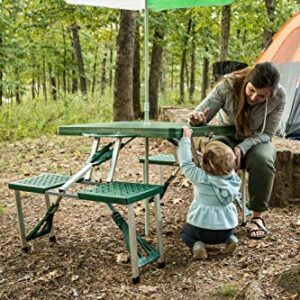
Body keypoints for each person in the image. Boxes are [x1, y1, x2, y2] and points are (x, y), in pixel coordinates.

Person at [188, 62, 286, 239]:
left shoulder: (279, 97)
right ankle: (212, 213)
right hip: (225, 135)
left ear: (271, 92)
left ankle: (257, 217)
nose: (255, 97)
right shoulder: (228, 85)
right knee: (215, 155)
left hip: (257, 140)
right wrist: (197, 119)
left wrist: (242, 147)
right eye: (252, 90)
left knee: (263, 160)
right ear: (247, 81)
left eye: (262, 95)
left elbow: (268, 133)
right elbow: (200, 115)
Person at [178, 126, 241, 259]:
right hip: (226, 229)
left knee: (184, 232)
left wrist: (185, 139)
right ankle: (231, 239)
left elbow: (185, 163)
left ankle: (198, 246)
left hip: (202, 229)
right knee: (227, 233)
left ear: (206, 164)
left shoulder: (201, 178)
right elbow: (224, 164)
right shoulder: (234, 178)